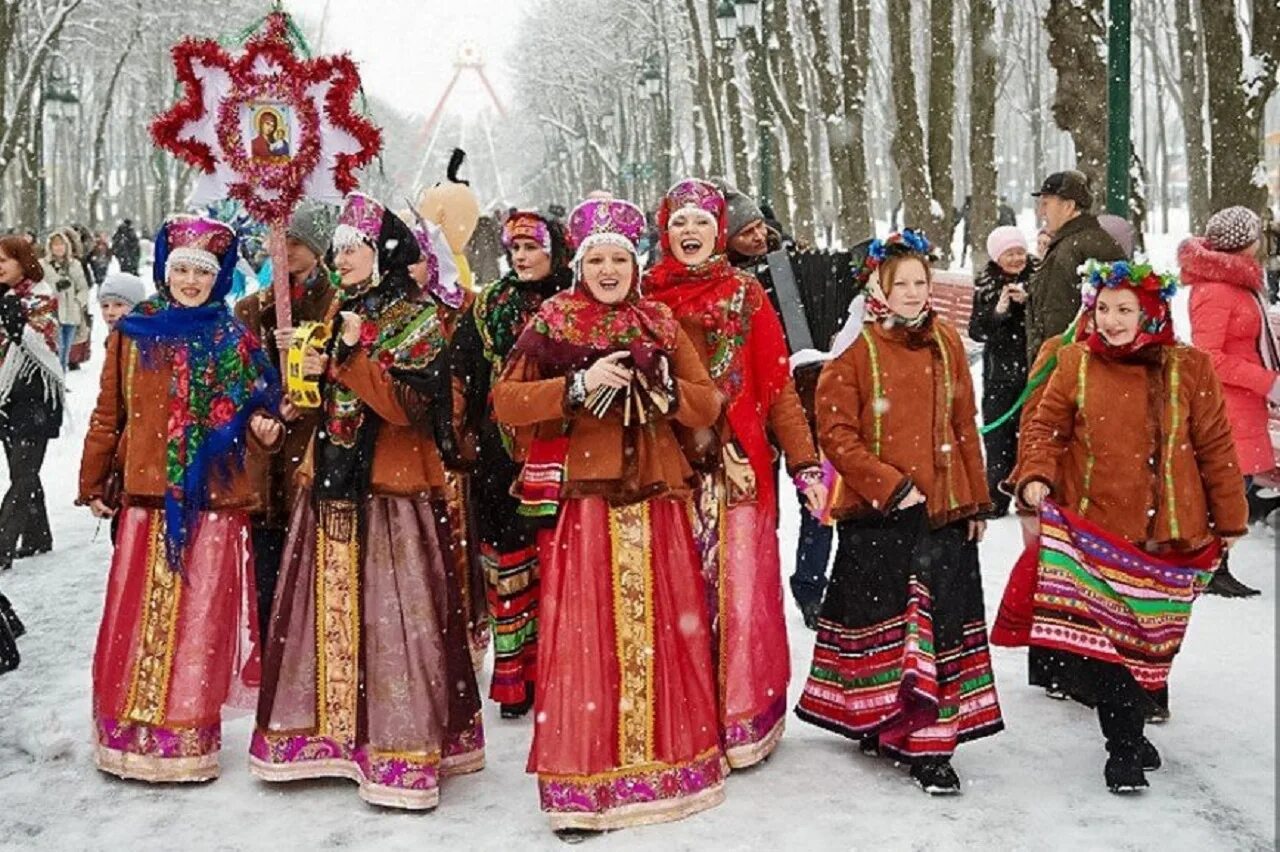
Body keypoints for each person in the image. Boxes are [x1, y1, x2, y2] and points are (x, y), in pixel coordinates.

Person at [492, 196, 725, 835]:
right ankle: (583, 781)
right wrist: (575, 387)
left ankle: (668, 763)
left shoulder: (660, 321)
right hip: (588, 500)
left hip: (654, 498)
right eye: (596, 259)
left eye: (619, 258)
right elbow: (506, 401)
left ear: (635, 263)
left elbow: (706, 404)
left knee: (664, 631)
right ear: (580, 266)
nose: (608, 270)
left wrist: (668, 394)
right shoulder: (553, 319)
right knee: (585, 635)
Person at [251, 192, 484, 810]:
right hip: (330, 477)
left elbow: (406, 408)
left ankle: (399, 745)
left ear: (384, 253)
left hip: (392, 487)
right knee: (334, 611)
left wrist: (351, 357)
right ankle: (331, 737)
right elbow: (321, 398)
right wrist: (295, 390)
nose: (343, 258)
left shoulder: (418, 316)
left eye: (354, 248)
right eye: (341, 249)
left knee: (394, 618)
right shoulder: (342, 310)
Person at [1016, 258, 1247, 793]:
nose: (1114, 320)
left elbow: (1215, 445)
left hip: (1170, 528)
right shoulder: (1073, 362)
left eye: (1126, 310)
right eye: (1104, 310)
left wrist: (1230, 517)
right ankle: (1121, 746)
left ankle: (1133, 725)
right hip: (1096, 531)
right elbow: (1045, 429)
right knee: (1110, 642)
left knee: (1156, 641)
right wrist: (1035, 476)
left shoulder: (1189, 367)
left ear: (1152, 312)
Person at [795, 229, 1003, 795]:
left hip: (942, 513)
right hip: (882, 518)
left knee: (936, 633)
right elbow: (836, 434)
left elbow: (965, 425)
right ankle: (884, 718)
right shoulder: (855, 353)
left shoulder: (948, 344)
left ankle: (931, 747)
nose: (913, 293)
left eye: (921, 282)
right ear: (880, 289)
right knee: (889, 632)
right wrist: (889, 487)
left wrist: (974, 499)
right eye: (901, 284)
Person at [79, 214, 282, 783]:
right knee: (136, 615)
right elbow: (108, 413)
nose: (191, 280)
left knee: (197, 618)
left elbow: (261, 407)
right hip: (145, 496)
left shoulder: (232, 337)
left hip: (213, 498)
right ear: (165, 273)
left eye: (202, 271)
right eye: (182, 269)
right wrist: (94, 479)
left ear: (217, 279)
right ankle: (127, 729)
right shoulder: (135, 329)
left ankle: (185, 734)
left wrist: (267, 427)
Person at [645, 178, 825, 770]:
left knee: (741, 596)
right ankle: (688, 719)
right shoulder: (646, 302)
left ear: (718, 230)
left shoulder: (746, 295)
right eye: (679, 223)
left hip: (741, 473)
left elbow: (777, 392)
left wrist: (804, 464)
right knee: (679, 598)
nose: (690, 233)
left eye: (701, 221)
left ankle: (741, 718)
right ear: (664, 232)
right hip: (669, 475)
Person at [451, 209, 574, 717]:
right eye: (515, 248)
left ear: (555, 250)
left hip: (566, 449)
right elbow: (462, 372)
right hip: (500, 455)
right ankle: (516, 680)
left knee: (560, 560)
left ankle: (563, 672)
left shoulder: (577, 299)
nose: (522, 257)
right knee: (509, 563)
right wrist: (458, 433)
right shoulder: (489, 308)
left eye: (532, 247)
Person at [233, 200, 338, 640]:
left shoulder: (340, 305)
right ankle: (274, 652)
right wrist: (266, 405)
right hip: (268, 460)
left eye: (295, 241)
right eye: (278, 239)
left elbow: (352, 379)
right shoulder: (250, 309)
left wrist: (314, 380)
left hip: (320, 457)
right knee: (269, 572)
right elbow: (233, 387)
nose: (285, 250)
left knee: (320, 568)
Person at [1181, 206, 1273, 597]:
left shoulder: (1235, 283)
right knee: (1226, 487)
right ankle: (1211, 566)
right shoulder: (1217, 289)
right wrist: (1267, 382)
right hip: (1227, 405)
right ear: (1245, 242)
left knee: (1234, 486)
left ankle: (1213, 564)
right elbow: (1210, 357)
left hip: (1243, 403)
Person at [0, 236, 63, 572]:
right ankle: (39, 535)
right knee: (21, 469)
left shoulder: (40, 295)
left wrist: (17, 325)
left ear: (23, 262)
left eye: (4, 260)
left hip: (36, 395)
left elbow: (43, 344)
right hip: (6, 396)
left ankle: (2, 545)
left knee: (23, 472)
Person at [968, 226, 1034, 516]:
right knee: (998, 439)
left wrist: (1028, 302)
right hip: (999, 374)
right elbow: (978, 331)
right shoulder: (986, 286)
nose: (1017, 258)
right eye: (1010, 253)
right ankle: (996, 496)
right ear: (997, 257)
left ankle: (1027, 494)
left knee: (1029, 435)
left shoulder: (1037, 279)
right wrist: (999, 311)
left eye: (1020, 251)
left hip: (1032, 370)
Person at [1026, 170, 1124, 362]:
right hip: (1065, 363)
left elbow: (1064, 314)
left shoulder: (1084, 245)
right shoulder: (1069, 243)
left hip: (1073, 366)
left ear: (1069, 206)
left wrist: (1055, 361)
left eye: (1046, 203)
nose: (1041, 212)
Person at [40, 228, 90, 372]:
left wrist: (78, 303)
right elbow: (40, 288)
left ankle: (61, 380)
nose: (59, 247)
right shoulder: (43, 265)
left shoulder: (75, 264)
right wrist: (55, 289)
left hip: (71, 314)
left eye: (61, 244)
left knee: (65, 352)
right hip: (52, 314)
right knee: (55, 350)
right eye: (55, 245)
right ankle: (53, 380)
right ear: (50, 247)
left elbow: (83, 288)